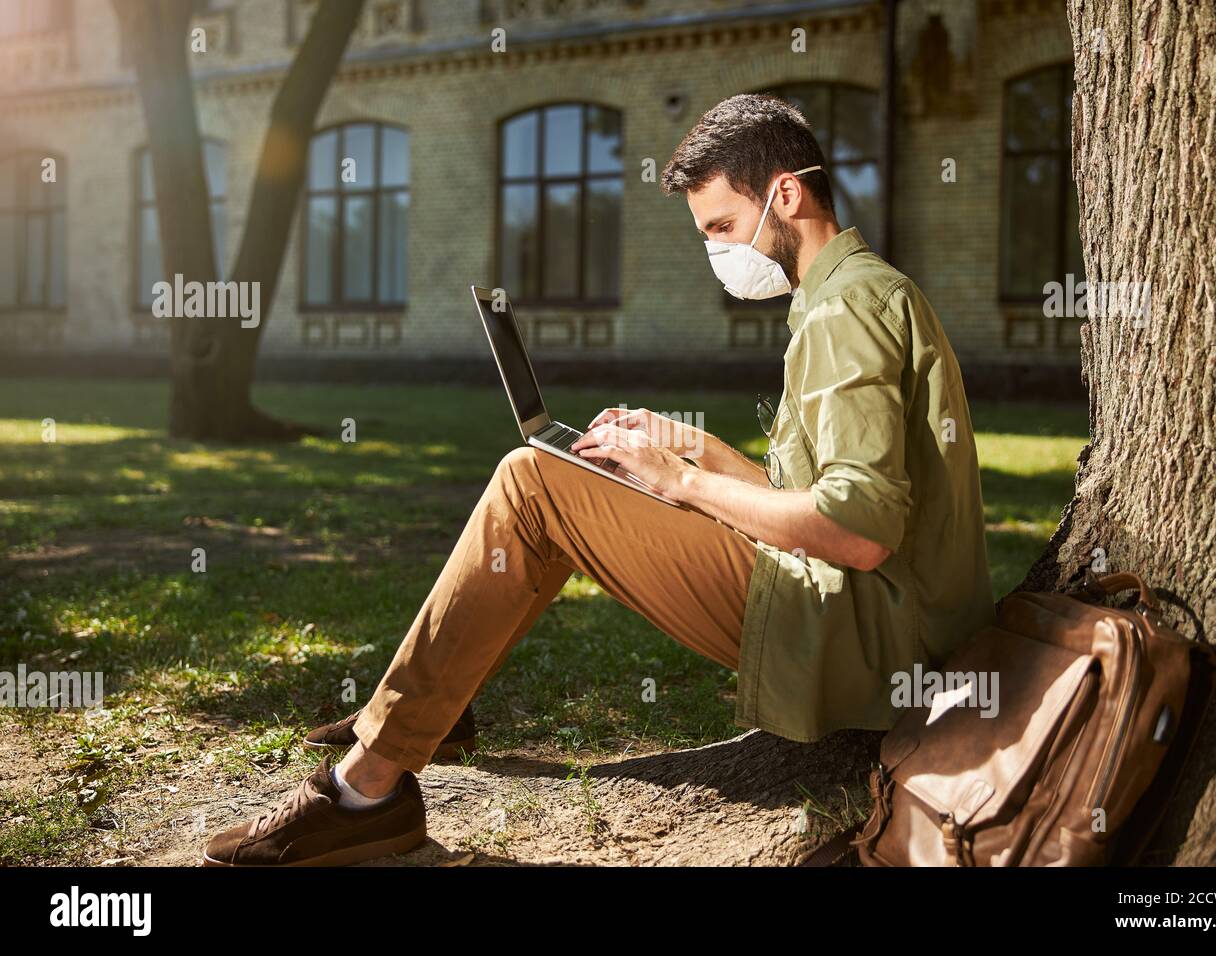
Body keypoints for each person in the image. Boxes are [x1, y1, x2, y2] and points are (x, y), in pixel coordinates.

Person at [200, 93, 993, 867]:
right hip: (880, 622)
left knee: (533, 485)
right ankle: (422, 715)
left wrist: (678, 484)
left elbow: (855, 531)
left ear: (784, 193)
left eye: (721, 226)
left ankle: (367, 790)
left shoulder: (844, 312)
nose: (719, 251)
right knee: (547, 484)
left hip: (868, 637)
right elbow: (811, 494)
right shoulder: (859, 296)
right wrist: (683, 445)